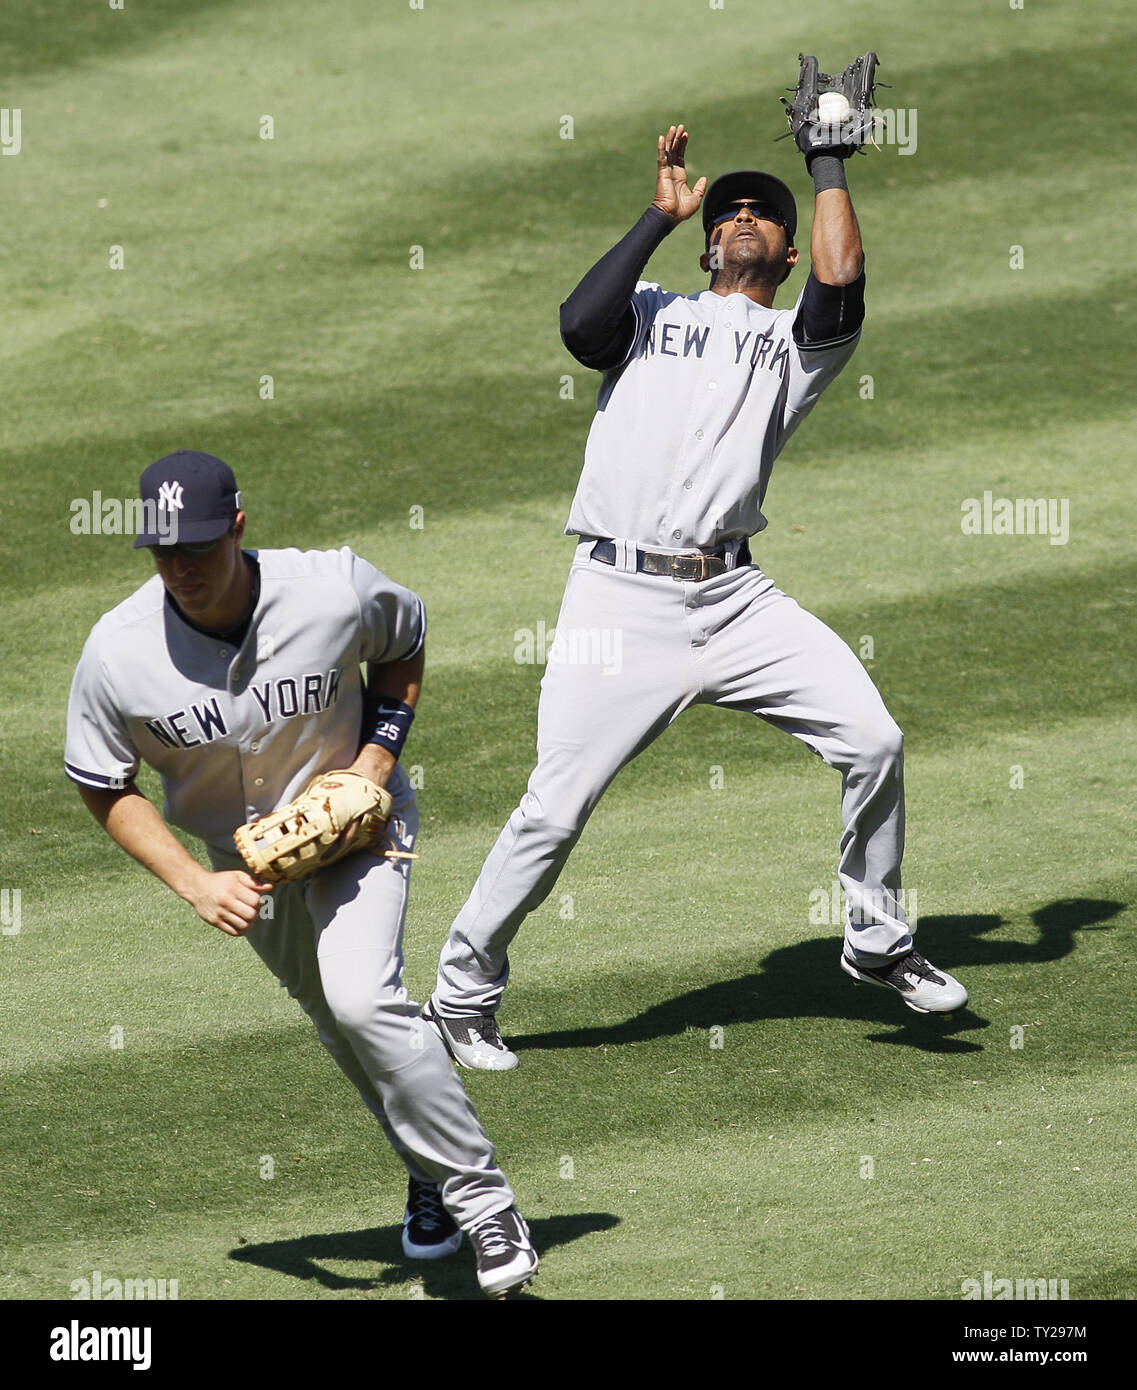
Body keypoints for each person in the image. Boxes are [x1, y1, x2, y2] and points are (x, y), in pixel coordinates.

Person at [424, 124, 967, 1072]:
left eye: (763, 214)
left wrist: (827, 162)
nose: (743, 218)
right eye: (729, 213)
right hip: (615, 600)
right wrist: (657, 217)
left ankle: (876, 940)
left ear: (785, 251)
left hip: (735, 600)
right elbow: (574, 325)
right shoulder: (647, 309)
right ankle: (460, 993)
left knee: (874, 740)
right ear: (708, 242)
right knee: (554, 809)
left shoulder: (793, 347)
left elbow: (842, 287)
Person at [64, 449, 537, 1298]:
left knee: (363, 998)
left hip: (361, 832)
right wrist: (196, 884)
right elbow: (102, 783)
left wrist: (376, 764)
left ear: (239, 528)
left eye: (199, 551)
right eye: (165, 555)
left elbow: (405, 642)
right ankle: (424, 1175)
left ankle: (484, 1203)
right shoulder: (117, 652)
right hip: (244, 865)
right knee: (337, 1020)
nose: (183, 571)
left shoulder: (332, 589)